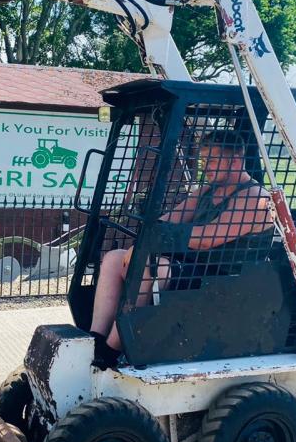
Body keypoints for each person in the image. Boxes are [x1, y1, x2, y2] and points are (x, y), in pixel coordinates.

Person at [89, 129, 276, 367]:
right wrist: (141, 244)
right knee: (116, 258)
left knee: (150, 266)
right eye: (203, 159)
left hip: (227, 280)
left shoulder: (256, 198)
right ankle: (95, 339)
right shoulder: (207, 191)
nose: (205, 166)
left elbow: (208, 238)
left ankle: (111, 350)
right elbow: (169, 219)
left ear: (236, 160)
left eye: (212, 160)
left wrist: (149, 247)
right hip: (197, 269)